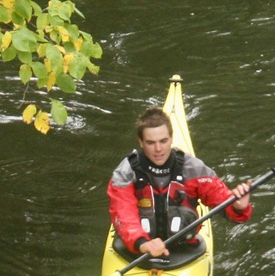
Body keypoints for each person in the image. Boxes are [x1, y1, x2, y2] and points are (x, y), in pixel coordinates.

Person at [107, 107, 252, 259]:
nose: (158, 149)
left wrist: (238, 207)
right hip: (136, 249)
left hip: (183, 251)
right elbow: (123, 213)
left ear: (171, 138)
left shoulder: (195, 169)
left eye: (163, 141)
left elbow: (227, 205)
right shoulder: (125, 172)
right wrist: (142, 243)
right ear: (141, 142)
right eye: (150, 143)